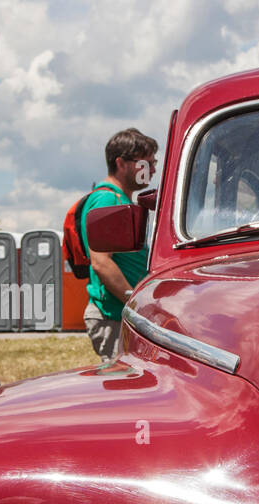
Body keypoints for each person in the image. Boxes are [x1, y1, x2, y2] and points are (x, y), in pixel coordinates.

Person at [80, 128, 158, 361]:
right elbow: (101, 262)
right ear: (121, 163)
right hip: (114, 315)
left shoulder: (121, 200)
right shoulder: (106, 199)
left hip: (122, 313)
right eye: (146, 163)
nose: (152, 170)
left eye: (154, 163)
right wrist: (135, 304)